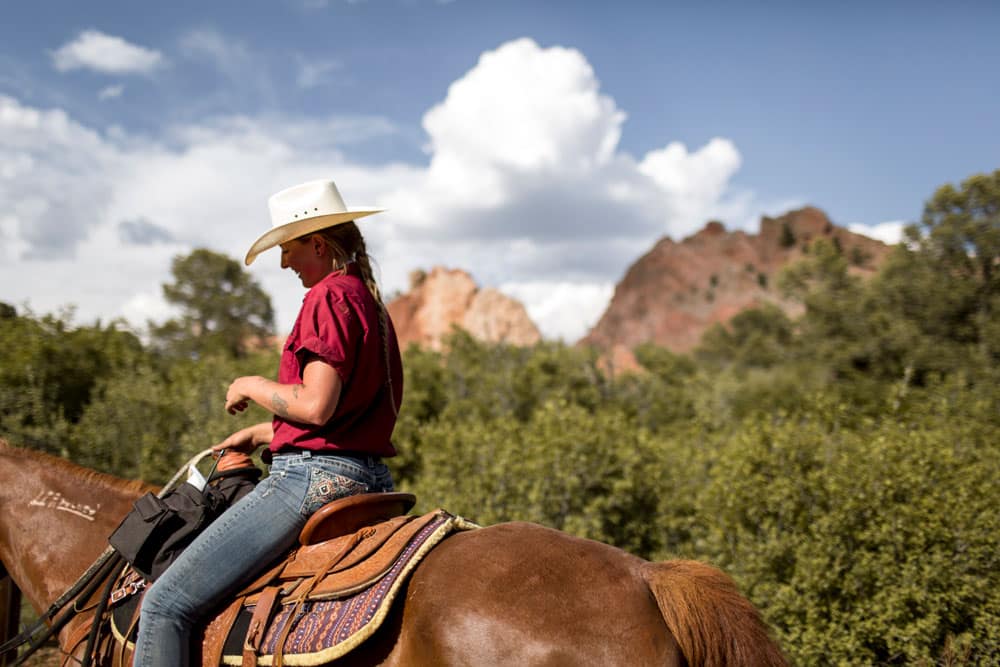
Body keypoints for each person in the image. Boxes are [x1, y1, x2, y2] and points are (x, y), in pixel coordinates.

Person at [134, 179, 403, 667]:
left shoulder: (329, 298)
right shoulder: (370, 304)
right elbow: (348, 416)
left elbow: (317, 406)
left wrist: (251, 384)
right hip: (367, 475)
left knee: (163, 607)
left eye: (288, 249)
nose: (284, 263)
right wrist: (267, 433)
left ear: (317, 244)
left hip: (312, 480)